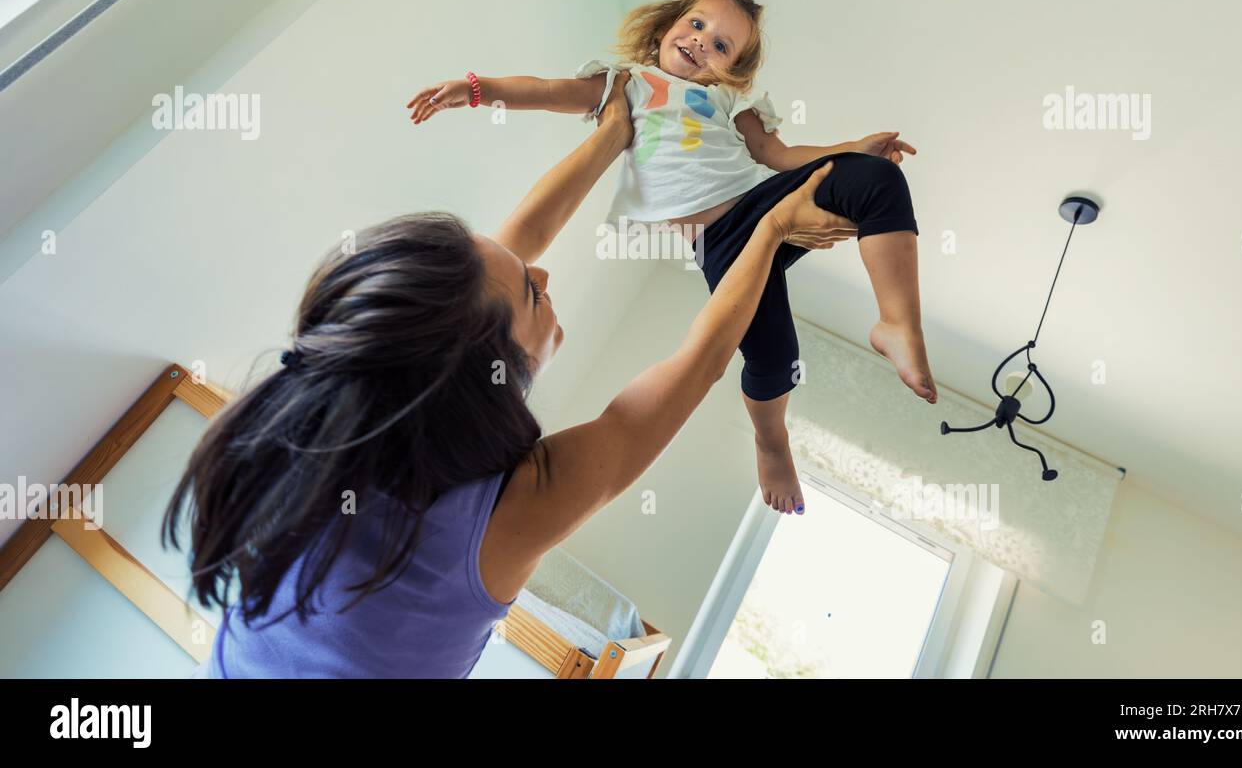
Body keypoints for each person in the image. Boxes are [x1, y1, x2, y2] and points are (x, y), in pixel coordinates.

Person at [174, 72, 859, 677]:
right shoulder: (509, 512)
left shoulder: (336, 423)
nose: (544, 271)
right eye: (532, 293)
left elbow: (518, 244)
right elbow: (702, 359)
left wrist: (612, 132)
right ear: (489, 375)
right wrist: (768, 230)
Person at [406, 0, 936, 518]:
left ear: (729, 72)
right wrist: (476, 89)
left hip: (761, 200)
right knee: (775, 355)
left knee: (874, 179)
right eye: (698, 25)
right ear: (666, 27)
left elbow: (780, 155)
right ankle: (772, 442)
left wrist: (852, 149)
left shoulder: (731, 101)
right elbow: (545, 90)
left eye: (723, 46)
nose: (703, 42)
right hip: (722, 243)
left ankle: (897, 322)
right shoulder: (626, 83)